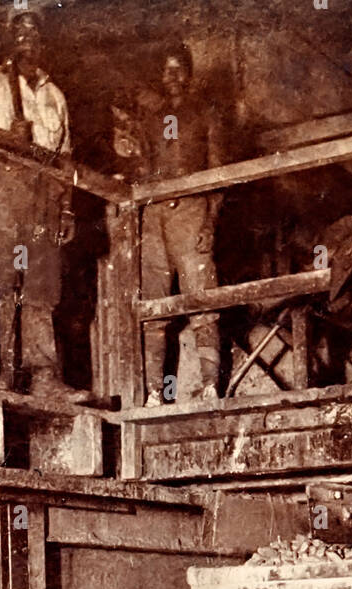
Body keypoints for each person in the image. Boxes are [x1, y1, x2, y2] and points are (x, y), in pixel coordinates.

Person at [0, 10, 74, 394]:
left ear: (42, 40)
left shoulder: (54, 95)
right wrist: (4, 139)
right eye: (19, 29)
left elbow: (65, 157)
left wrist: (66, 207)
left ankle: (43, 375)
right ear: (8, 37)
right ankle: (4, 372)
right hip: (7, 188)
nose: (26, 36)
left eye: (33, 30)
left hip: (44, 193)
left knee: (41, 284)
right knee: (7, 279)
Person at [112, 45, 222, 406]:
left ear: (189, 75)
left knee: (202, 299)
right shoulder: (151, 118)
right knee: (154, 304)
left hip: (192, 208)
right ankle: (155, 391)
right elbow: (138, 168)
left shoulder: (206, 112)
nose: (172, 77)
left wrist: (210, 219)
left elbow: (219, 173)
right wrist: (126, 148)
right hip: (155, 214)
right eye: (167, 71)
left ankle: (209, 385)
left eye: (179, 70)